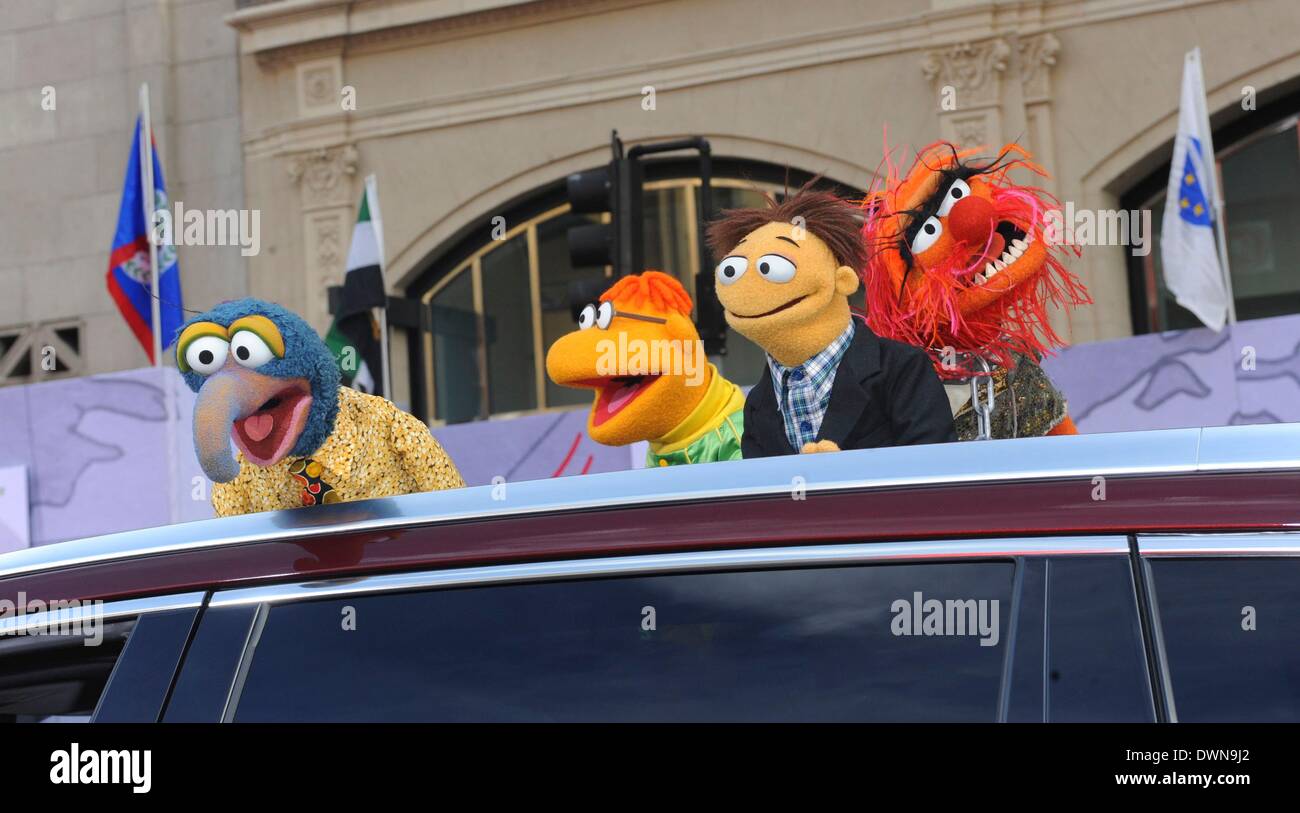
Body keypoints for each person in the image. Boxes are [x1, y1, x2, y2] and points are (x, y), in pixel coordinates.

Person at [705, 185, 956, 458]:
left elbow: (933, 472)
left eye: (773, 268)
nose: (748, 287)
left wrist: (842, 477)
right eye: (732, 271)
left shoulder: (901, 369)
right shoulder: (758, 403)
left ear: (843, 280)